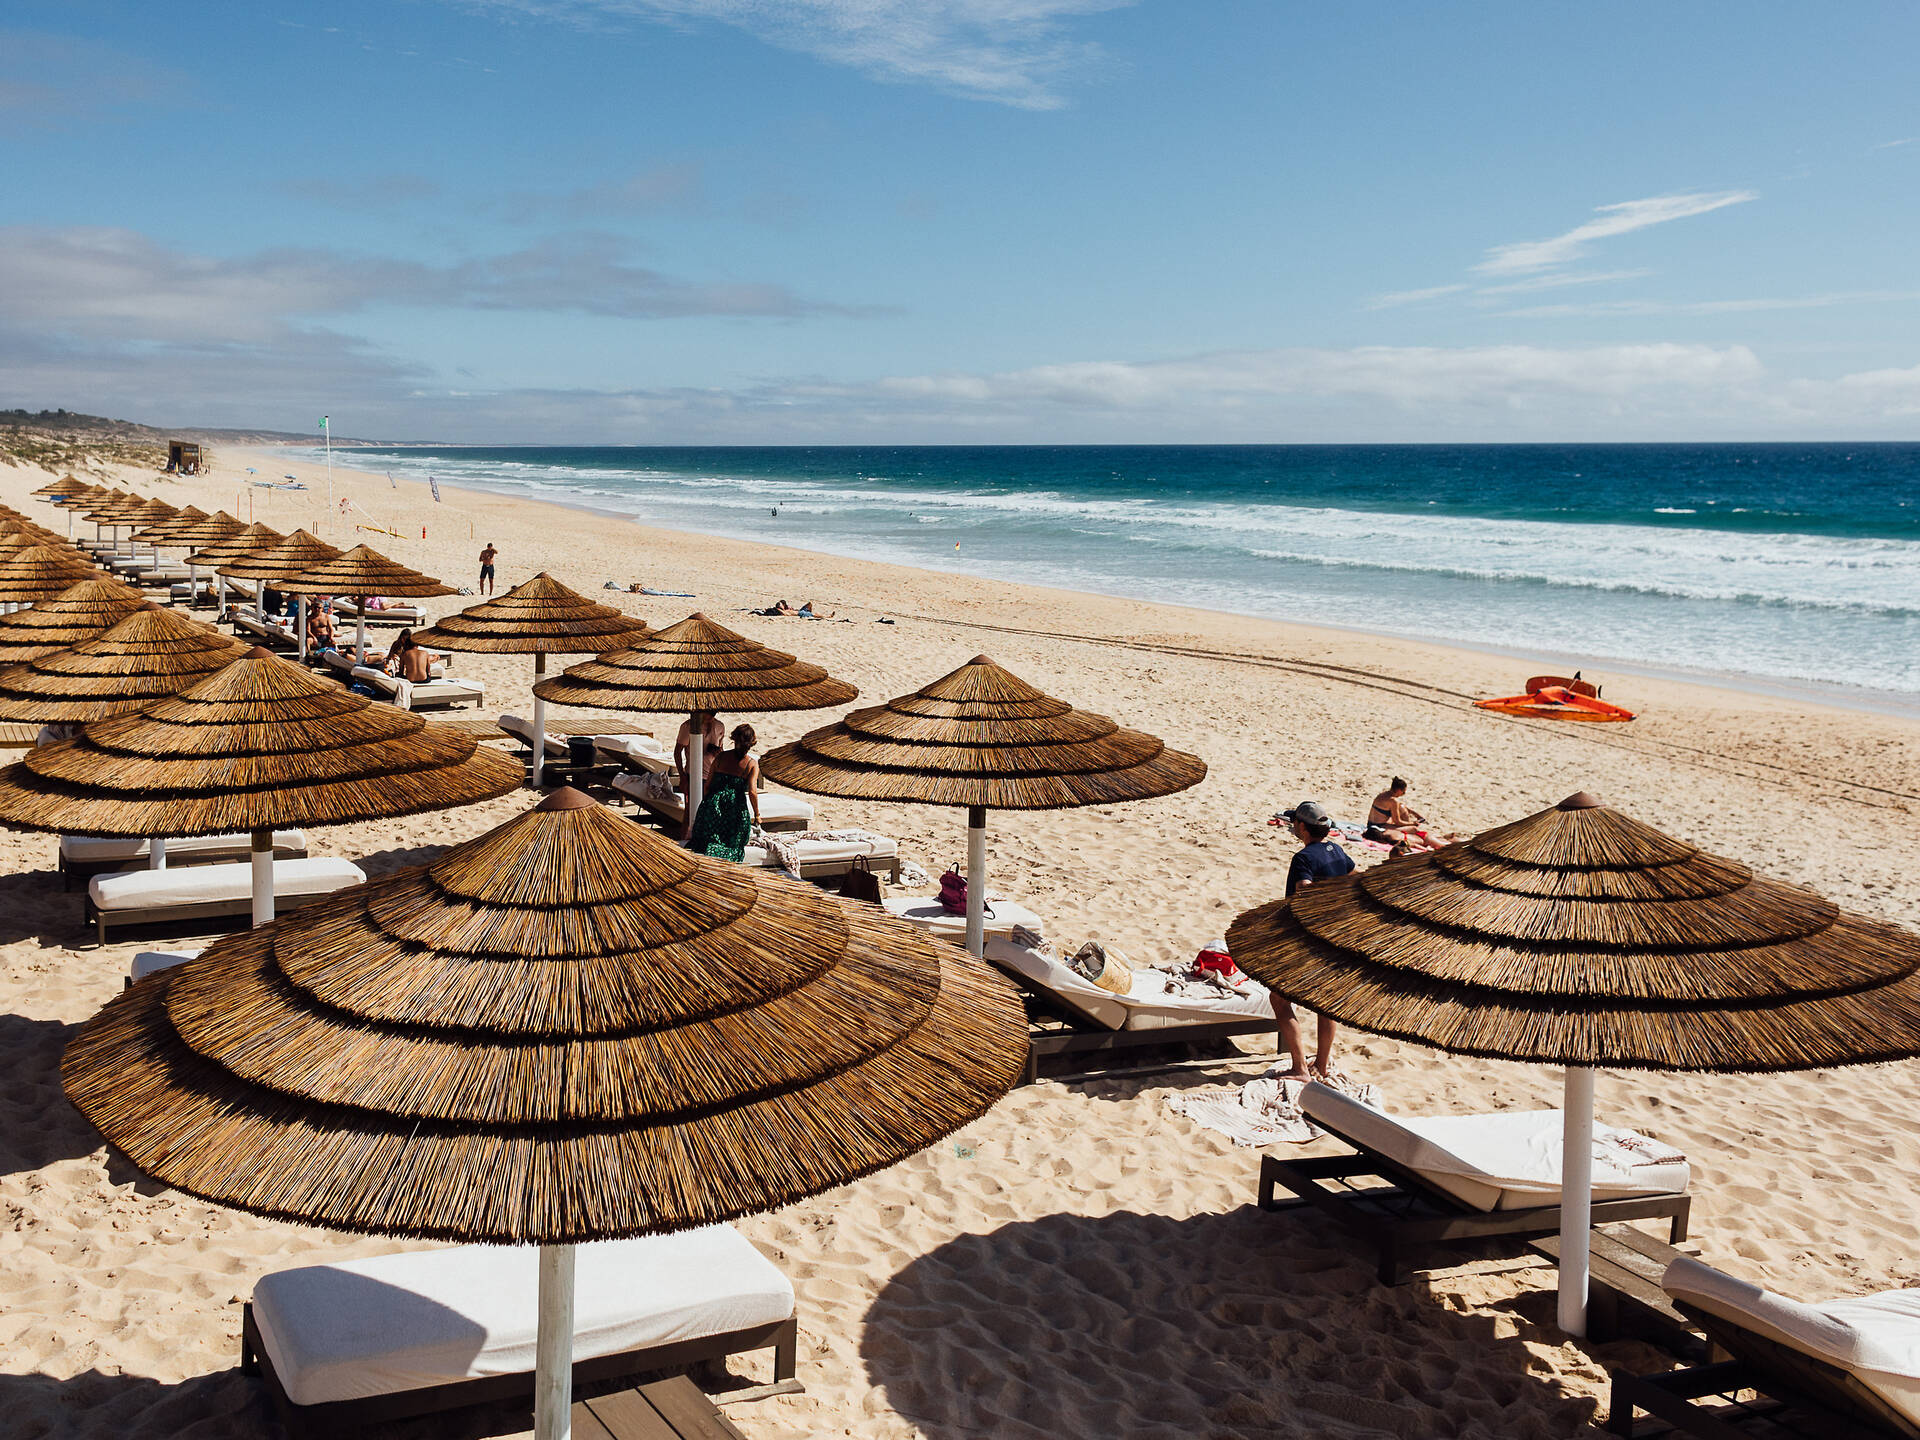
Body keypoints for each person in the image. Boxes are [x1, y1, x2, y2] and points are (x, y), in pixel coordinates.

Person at [1271, 800, 1355, 1079]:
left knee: (1279, 999)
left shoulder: (1303, 858)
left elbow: (1304, 890)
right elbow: (1355, 877)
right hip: (1334, 937)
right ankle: (1322, 1063)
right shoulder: (1337, 849)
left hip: (1307, 939)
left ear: (1302, 827)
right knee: (1324, 1002)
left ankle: (1300, 1068)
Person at [686, 724, 763, 861]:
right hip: (734, 810)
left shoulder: (721, 757)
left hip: (712, 806)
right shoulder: (751, 764)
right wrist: (757, 815)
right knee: (735, 843)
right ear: (751, 744)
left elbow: (708, 785)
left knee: (703, 840)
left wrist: (708, 804)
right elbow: (752, 791)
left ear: (734, 740)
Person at [1366, 777, 1442, 853]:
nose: (1403, 794)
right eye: (1403, 792)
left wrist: (1414, 813)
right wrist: (1413, 823)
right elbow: (1397, 822)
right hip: (1379, 827)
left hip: (1371, 824)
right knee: (1413, 829)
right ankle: (1432, 842)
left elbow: (1401, 806)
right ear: (1399, 790)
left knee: (1402, 808)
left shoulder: (1384, 794)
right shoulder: (1393, 801)